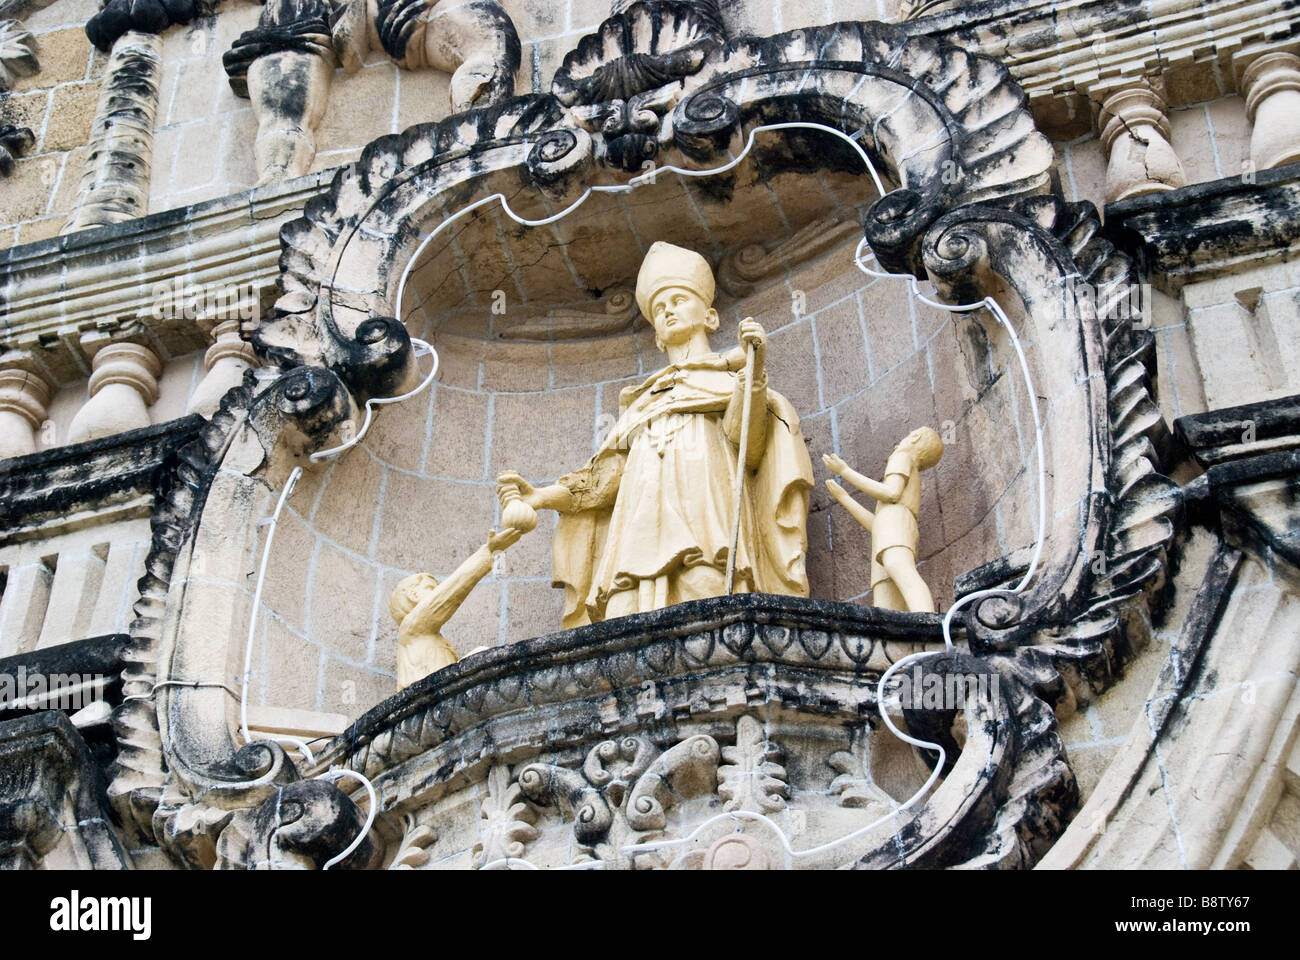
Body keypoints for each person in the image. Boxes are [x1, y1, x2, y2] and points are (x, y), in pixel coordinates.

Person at [496, 241, 814, 629]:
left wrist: (755, 373)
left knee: (711, 599)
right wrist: (543, 497)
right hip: (637, 534)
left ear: (711, 317)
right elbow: (605, 479)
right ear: (658, 336)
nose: (667, 310)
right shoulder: (642, 402)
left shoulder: (732, 379)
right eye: (659, 309)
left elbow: (749, 447)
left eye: (679, 300)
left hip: (708, 522)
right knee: (622, 615)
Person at [822, 426, 944, 613]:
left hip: (898, 528)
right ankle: (903, 640)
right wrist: (845, 498)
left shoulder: (902, 456)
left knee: (900, 567)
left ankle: (926, 618)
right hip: (891, 534)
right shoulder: (907, 468)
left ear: (915, 437)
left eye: (908, 434)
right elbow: (877, 526)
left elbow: (891, 492)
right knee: (885, 598)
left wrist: (845, 471)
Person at [389, 525, 521, 688]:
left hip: (442, 700)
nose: (437, 592)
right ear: (413, 595)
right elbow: (448, 593)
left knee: (481, 656)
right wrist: (488, 551)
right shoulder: (411, 628)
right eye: (431, 588)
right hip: (427, 704)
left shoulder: (431, 638)